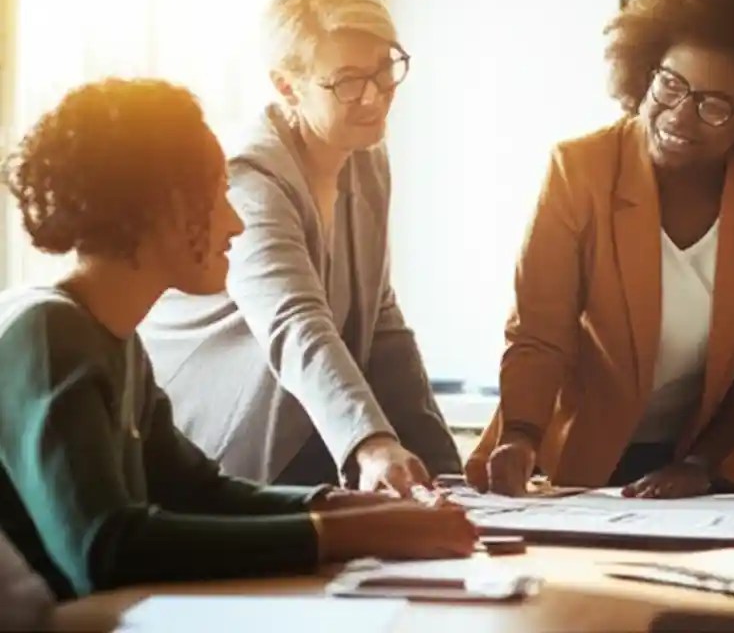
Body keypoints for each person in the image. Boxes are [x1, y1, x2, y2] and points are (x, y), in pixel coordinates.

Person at [0, 79, 477, 601]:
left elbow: (199, 492)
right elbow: (105, 548)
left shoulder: (118, 345)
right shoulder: (48, 334)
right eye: (216, 195)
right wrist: (352, 533)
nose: (234, 223)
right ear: (160, 208)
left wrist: (355, 507)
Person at [463, 0, 734, 498]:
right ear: (645, 70)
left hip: (704, 459)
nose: (679, 116)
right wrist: (520, 434)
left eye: (713, 106)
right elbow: (540, 334)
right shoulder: (580, 169)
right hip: (577, 456)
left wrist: (703, 465)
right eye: (670, 85)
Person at [140, 0, 459, 494]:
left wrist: (450, 471)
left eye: (385, 69)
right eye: (349, 81)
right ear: (287, 85)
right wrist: (372, 444)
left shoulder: (367, 161)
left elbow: (380, 323)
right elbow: (295, 322)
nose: (376, 96)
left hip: (318, 435)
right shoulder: (249, 178)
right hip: (227, 449)